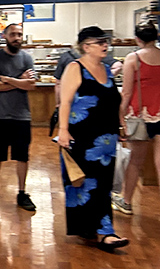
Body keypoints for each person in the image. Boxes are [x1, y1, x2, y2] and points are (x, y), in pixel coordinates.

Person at [57, 26, 129, 250]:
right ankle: (91, 229)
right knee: (83, 183)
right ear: (86, 46)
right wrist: (63, 129)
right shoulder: (75, 68)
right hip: (81, 137)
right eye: (99, 42)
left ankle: (104, 231)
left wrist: (121, 123)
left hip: (105, 138)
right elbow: (66, 101)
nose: (105, 45)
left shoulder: (107, 70)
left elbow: (112, 98)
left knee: (104, 185)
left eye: (105, 41)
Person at [0, 22, 37, 210]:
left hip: (21, 116)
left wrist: (7, 79)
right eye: (13, 34)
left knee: (22, 156)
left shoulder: (27, 59)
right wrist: (20, 81)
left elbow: (31, 85)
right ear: (5, 36)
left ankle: (22, 192)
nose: (17, 38)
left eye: (20, 34)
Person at [113, 21, 160, 214]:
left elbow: (126, 92)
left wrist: (120, 118)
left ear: (137, 39)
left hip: (139, 114)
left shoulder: (133, 59)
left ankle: (126, 201)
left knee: (135, 161)